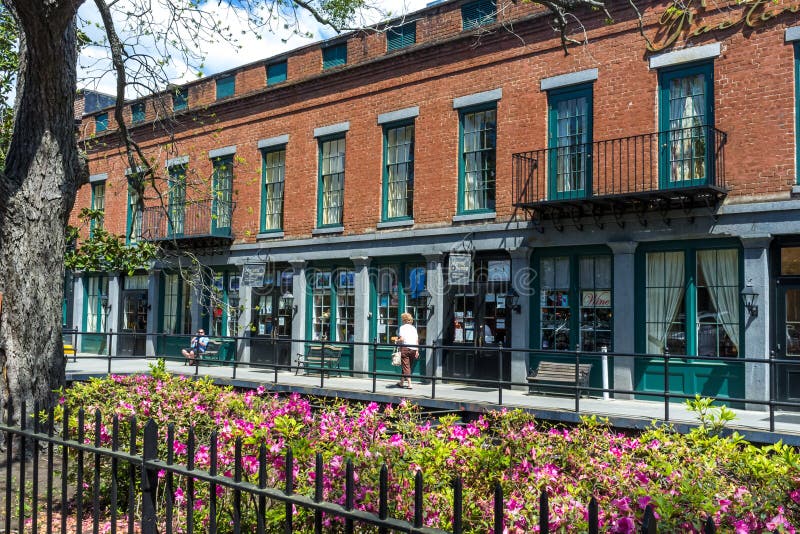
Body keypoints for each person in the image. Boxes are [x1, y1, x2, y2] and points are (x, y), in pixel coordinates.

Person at [395, 312, 419, 389]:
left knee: (406, 366)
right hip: (414, 349)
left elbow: (402, 339)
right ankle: (401, 382)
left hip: (405, 348)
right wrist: (417, 351)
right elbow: (416, 340)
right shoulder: (414, 328)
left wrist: (396, 340)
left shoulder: (402, 327)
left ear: (404, 320)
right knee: (406, 366)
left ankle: (409, 384)